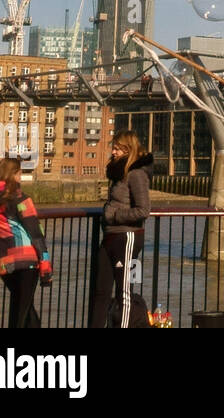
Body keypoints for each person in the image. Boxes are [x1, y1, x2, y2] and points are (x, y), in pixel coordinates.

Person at [89, 130, 154, 328]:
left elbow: (143, 210)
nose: (114, 151)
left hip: (127, 236)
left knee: (123, 291)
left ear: (128, 150)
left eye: (118, 148)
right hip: (109, 236)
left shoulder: (136, 174)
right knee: (100, 290)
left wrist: (115, 216)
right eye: (113, 147)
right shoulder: (120, 174)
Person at [0, 158, 52, 328]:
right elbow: (36, 233)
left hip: (5, 262)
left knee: (23, 308)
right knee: (22, 312)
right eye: (20, 172)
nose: (21, 176)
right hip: (27, 260)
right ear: (13, 174)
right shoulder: (21, 199)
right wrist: (46, 265)